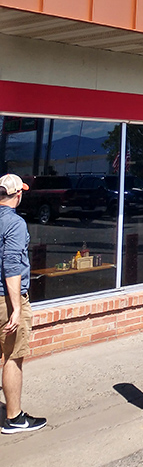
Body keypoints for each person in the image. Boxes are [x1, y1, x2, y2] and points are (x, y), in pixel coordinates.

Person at [0, 173, 46, 433]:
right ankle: (14, 418)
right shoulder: (15, 224)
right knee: (13, 357)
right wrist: (16, 308)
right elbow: (11, 265)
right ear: (18, 195)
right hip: (5, 299)